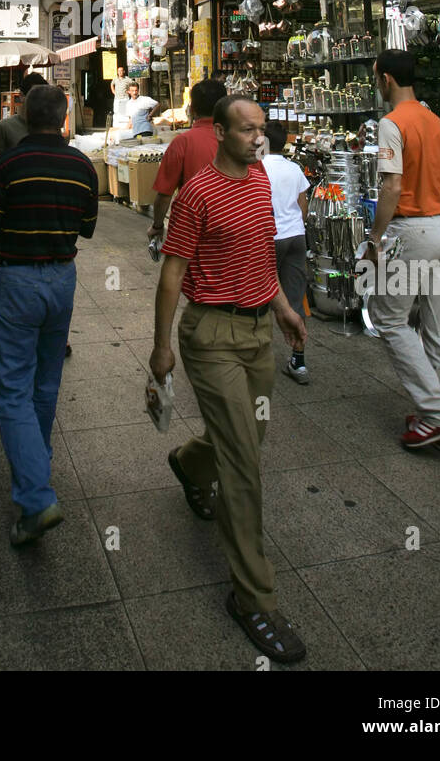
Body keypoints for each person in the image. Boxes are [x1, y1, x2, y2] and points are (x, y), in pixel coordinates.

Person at [149, 95, 307, 664]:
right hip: (211, 335)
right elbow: (173, 271)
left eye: (261, 129)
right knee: (244, 460)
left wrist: (286, 307)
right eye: (246, 130)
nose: (257, 138)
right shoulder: (197, 193)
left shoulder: (263, 179)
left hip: (259, 329)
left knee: (248, 437)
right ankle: (253, 598)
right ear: (219, 132)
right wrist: (161, 346)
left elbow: (263, 255)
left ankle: (189, 462)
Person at [0, 85, 98, 547]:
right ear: (64, 119)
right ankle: (35, 468)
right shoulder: (82, 165)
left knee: (11, 388)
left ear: (23, 116)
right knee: (45, 383)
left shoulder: (10, 163)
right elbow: (87, 225)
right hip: (62, 280)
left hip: (18, 281)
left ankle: (36, 496)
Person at [367, 49, 440, 452]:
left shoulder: (391, 123)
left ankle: (439, 415)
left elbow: (391, 186)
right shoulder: (434, 120)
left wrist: (374, 240)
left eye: (376, 77)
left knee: (388, 319)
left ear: (386, 78)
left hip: (413, 233)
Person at [147, 78, 227, 240]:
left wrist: (157, 225)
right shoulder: (241, 141)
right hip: (239, 230)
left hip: (193, 231)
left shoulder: (183, 142)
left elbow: (164, 194)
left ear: (192, 109)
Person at [262, 120, 311, 384]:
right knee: (294, 297)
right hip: (295, 237)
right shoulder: (294, 169)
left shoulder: (257, 168)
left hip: (270, 238)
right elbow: (302, 208)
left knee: (261, 295)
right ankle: (299, 361)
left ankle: (256, 355)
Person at [0, 71, 47, 172]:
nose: (40, 101)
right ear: (22, 96)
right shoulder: (5, 127)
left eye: (44, 97)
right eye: (35, 96)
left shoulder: (49, 126)